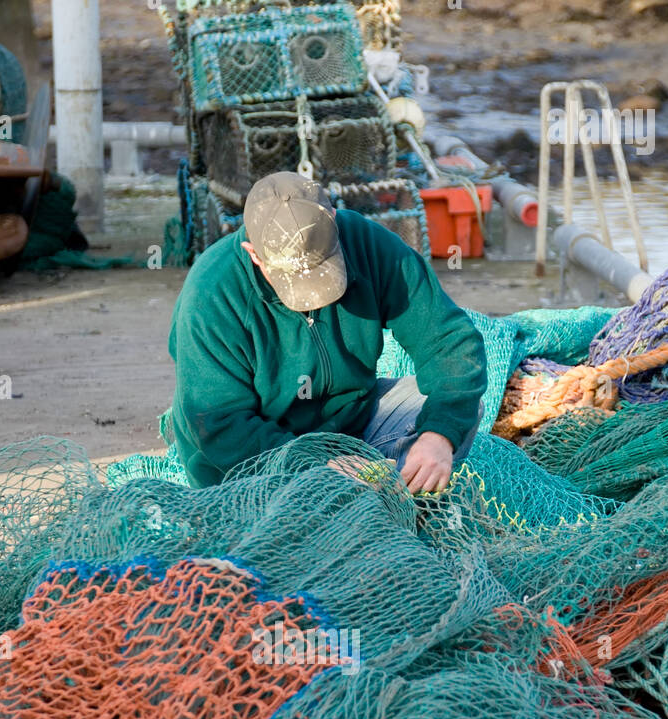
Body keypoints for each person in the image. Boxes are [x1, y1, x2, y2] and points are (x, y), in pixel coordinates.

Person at [169, 170, 487, 492]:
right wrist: (315, 465)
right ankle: (363, 497)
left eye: (322, 270)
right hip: (259, 457)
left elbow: (449, 341)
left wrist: (438, 436)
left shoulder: (369, 244)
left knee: (458, 408)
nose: (311, 296)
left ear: (334, 220)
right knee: (307, 506)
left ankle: (392, 496)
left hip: (352, 427)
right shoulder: (210, 294)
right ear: (253, 253)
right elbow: (219, 425)